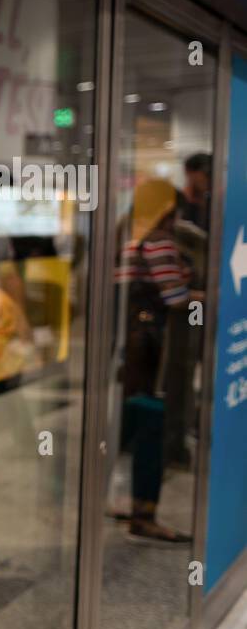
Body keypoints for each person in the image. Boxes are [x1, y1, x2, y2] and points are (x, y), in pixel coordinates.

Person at [114, 179, 194, 544]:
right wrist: (205, 294)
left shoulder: (126, 237)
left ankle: (125, 502)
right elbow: (176, 297)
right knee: (152, 425)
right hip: (150, 348)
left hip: (126, 345)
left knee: (129, 420)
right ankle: (144, 514)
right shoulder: (159, 242)